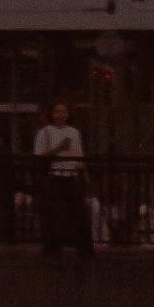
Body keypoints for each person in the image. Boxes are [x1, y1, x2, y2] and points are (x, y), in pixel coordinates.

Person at [33, 94, 90, 251]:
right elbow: (39, 155)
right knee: (55, 213)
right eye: (57, 111)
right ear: (52, 114)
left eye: (64, 111)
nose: (60, 115)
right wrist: (58, 148)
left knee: (79, 212)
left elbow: (79, 155)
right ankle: (53, 246)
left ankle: (82, 246)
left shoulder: (74, 132)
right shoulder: (45, 132)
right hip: (54, 175)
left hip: (71, 175)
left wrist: (85, 175)